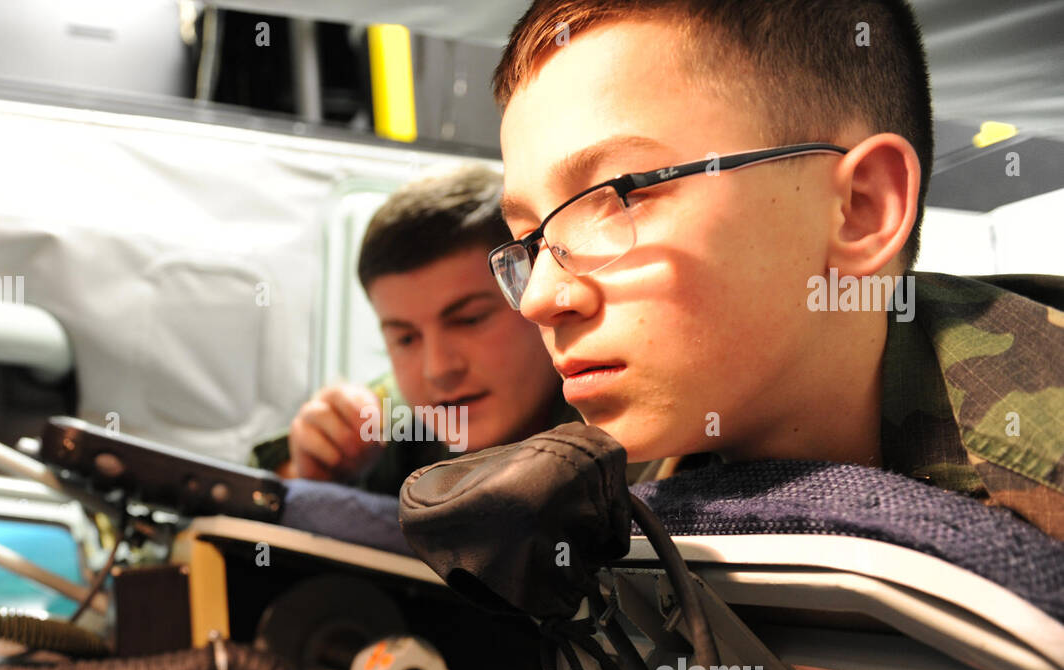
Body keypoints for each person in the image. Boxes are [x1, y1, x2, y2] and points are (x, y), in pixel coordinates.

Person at [487, 0, 1064, 540]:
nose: (539, 297)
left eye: (618, 198)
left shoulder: (1043, 470)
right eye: (527, 241)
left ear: (861, 209)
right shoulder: (619, 488)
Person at [250, 164, 587, 495]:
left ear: (536, 295)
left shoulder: (607, 415)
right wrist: (314, 468)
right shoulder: (396, 416)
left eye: (470, 320)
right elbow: (264, 479)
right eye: (406, 338)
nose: (438, 369)